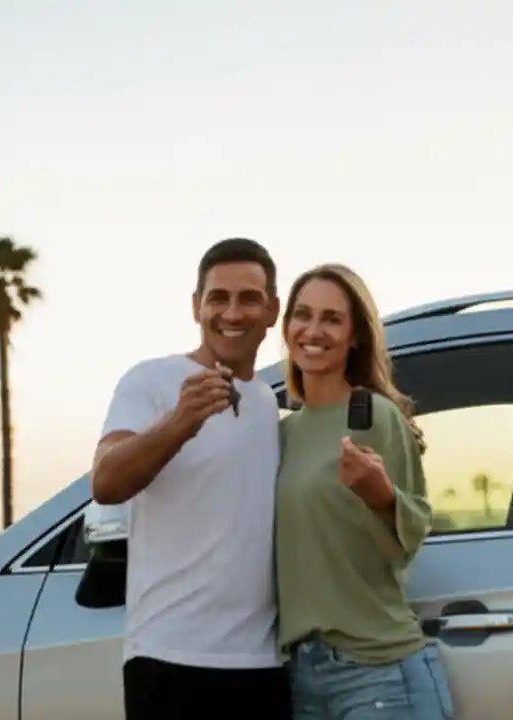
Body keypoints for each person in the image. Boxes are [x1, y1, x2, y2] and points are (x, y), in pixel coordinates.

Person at [90, 237, 291, 718]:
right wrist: (182, 420)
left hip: (262, 665)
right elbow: (106, 481)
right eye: (218, 297)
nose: (233, 313)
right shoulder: (152, 381)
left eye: (249, 298)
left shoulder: (269, 404)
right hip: (168, 660)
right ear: (197, 306)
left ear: (272, 310)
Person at [275, 263, 456, 719]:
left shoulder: (373, 416)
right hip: (302, 676)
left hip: (376, 674)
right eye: (303, 315)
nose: (313, 330)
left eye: (332, 319)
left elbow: (411, 533)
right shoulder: (283, 434)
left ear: (355, 336)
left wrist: (381, 493)